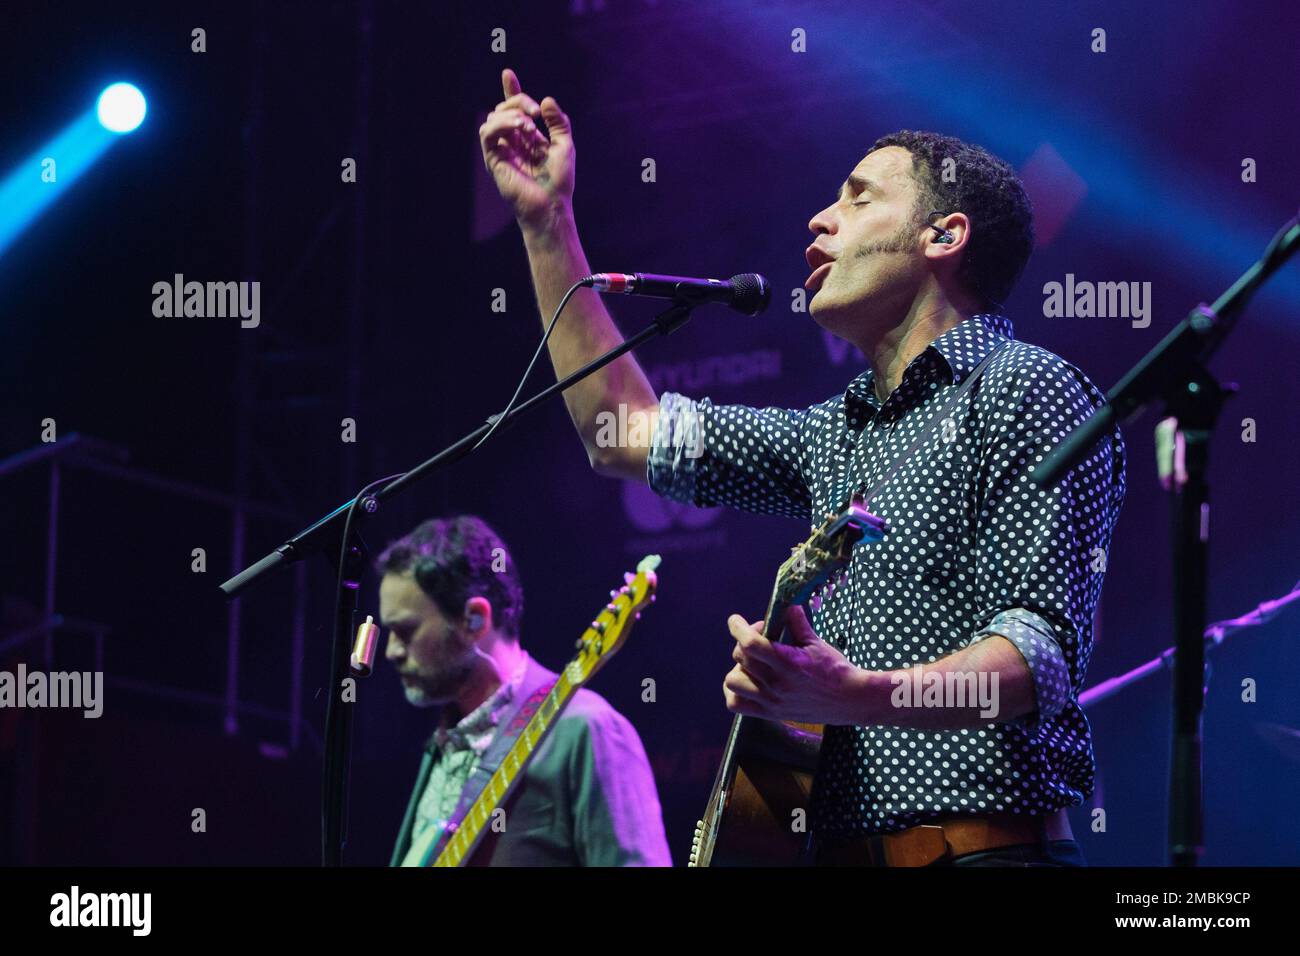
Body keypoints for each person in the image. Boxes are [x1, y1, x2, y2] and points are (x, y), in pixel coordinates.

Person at [478, 68, 1126, 866]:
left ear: (944, 236)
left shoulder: (1027, 386)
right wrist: (548, 224)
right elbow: (624, 432)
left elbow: (1041, 662)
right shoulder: (835, 433)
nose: (820, 219)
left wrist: (847, 695)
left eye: (858, 197)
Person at [378, 514, 671, 866]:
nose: (391, 651)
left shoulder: (586, 728)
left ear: (474, 619)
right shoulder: (442, 745)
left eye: (405, 630)